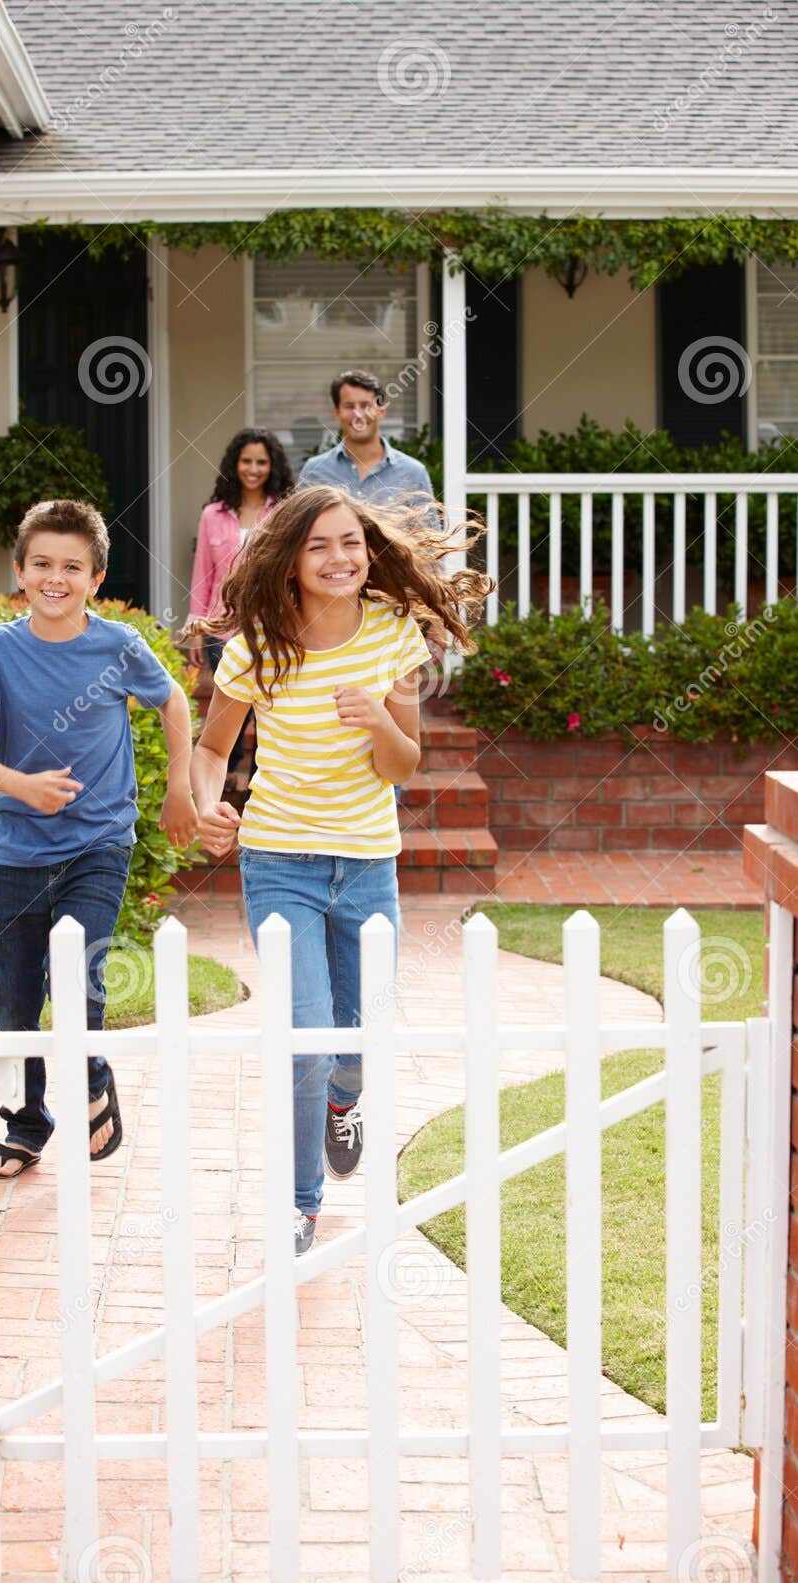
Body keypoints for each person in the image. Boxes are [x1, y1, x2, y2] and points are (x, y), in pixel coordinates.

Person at [187, 484, 489, 1255]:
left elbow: (404, 766)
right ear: (289, 561)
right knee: (306, 1040)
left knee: (359, 1041)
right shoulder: (260, 644)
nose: (338, 557)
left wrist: (379, 719)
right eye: (318, 544)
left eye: (350, 542)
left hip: (365, 866)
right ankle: (299, 1203)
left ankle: (343, 1101)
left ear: (368, 552)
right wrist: (206, 803)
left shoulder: (391, 632)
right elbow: (211, 748)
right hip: (279, 861)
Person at [0, 498, 197, 1180]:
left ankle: (88, 1074)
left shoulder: (117, 647)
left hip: (98, 841)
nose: (55, 577)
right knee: (14, 999)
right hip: (19, 848)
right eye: (42, 564)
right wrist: (20, 786)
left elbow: (172, 699)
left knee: (80, 974)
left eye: (72, 567)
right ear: (20, 571)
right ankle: (28, 1122)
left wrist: (179, 785)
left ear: (95, 577)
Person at [187, 429, 293, 773]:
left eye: (261, 462)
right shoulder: (212, 515)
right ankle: (228, 772)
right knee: (232, 705)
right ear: (235, 464)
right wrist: (196, 622)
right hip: (222, 627)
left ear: (272, 466)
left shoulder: (284, 512)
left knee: (270, 704)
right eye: (246, 461)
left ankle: (262, 778)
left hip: (273, 624)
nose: (253, 468)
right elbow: (202, 571)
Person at [298, 368, 439, 524]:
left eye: (366, 405)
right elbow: (298, 535)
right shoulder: (314, 471)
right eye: (349, 406)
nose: (358, 414)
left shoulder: (413, 473)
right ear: (337, 412)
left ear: (381, 410)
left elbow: (429, 542)